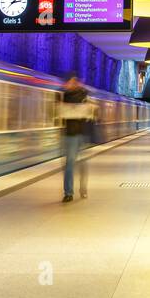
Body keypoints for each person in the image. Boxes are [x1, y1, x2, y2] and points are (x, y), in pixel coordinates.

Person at [58, 74, 96, 202]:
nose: (66, 85)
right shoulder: (63, 96)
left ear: (74, 82)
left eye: (69, 82)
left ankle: (82, 188)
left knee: (81, 163)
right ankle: (68, 192)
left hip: (81, 133)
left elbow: (90, 113)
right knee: (69, 164)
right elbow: (59, 114)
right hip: (69, 133)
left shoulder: (84, 95)